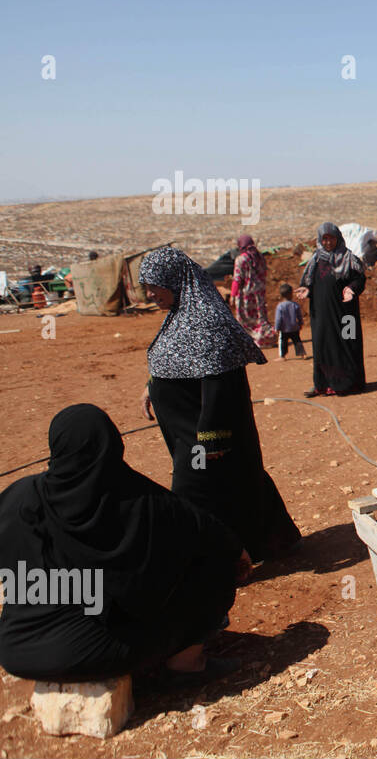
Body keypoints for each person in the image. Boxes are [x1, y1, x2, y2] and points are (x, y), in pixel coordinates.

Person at [0, 405, 243, 685]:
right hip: (88, 652)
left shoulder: (18, 497)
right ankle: (187, 665)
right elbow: (210, 533)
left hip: (15, 651)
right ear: (113, 445)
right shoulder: (138, 500)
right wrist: (238, 553)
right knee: (216, 568)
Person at [137, 246, 301, 562]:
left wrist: (209, 445)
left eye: (154, 285)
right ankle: (271, 540)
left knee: (194, 493)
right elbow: (173, 362)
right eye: (147, 286)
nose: (150, 294)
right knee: (241, 481)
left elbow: (219, 389)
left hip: (204, 438)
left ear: (174, 280)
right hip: (186, 431)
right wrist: (151, 387)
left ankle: (216, 564)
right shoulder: (178, 315)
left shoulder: (207, 321)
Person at [294, 222, 366, 397]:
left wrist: (351, 289)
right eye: (324, 239)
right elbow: (310, 282)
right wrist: (307, 289)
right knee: (322, 346)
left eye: (331, 238)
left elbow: (360, 279)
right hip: (322, 315)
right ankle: (322, 385)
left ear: (338, 238)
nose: (328, 242)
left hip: (346, 314)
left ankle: (350, 383)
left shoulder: (349, 258)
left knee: (348, 344)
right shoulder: (316, 260)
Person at [230, 234, 276, 347]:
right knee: (260, 318)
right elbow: (264, 272)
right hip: (259, 293)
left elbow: (237, 279)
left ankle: (250, 341)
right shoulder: (259, 256)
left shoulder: (241, 259)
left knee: (245, 319)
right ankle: (266, 337)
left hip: (246, 295)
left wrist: (233, 295)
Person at [274, 282, 306, 360]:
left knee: (283, 342)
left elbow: (278, 319)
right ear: (291, 294)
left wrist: (277, 328)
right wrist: (300, 324)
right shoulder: (295, 305)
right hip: (295, 327)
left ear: (281, 295)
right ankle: (302, 354)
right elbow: (299, 316)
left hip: (284, 329)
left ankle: (282, 356)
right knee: (297, 341)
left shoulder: (280, 306)